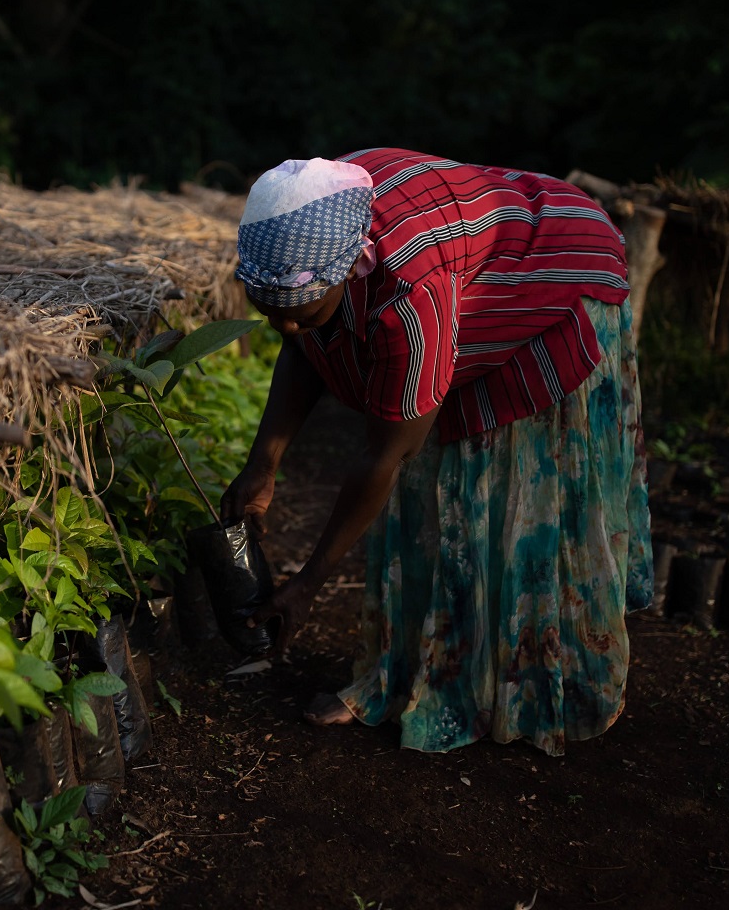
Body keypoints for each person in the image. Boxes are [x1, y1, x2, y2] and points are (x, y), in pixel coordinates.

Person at [219, 148, 653, 756]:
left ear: (348, 272)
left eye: (302, 312)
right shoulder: (310, 207)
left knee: (494, 489)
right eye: (272, 315)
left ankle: (525, 684)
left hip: (554, 276)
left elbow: (388, 458)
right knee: (431, 487)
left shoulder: (409, 292)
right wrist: (263, 465)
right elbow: (304, 344)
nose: (286, 328)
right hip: (470, 266)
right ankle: (425, 667)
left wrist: (309, 582)